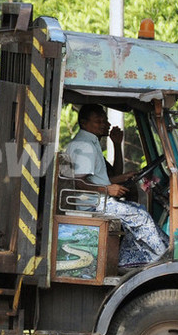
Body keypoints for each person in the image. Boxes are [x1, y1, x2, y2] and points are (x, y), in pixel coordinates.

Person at [65, 104, 169, 268]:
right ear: (84, 123)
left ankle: (130, 260)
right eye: (98, 121)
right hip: (92, 204)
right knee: (140, 217)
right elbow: (77, 182)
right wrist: (108, 189)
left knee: (139, 210)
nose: (104, 124)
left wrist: (122, 177)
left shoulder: (90, 143)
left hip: (96, 201)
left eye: (104, 119)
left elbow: (101, 178)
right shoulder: (85, 146)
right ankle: (162, 262)